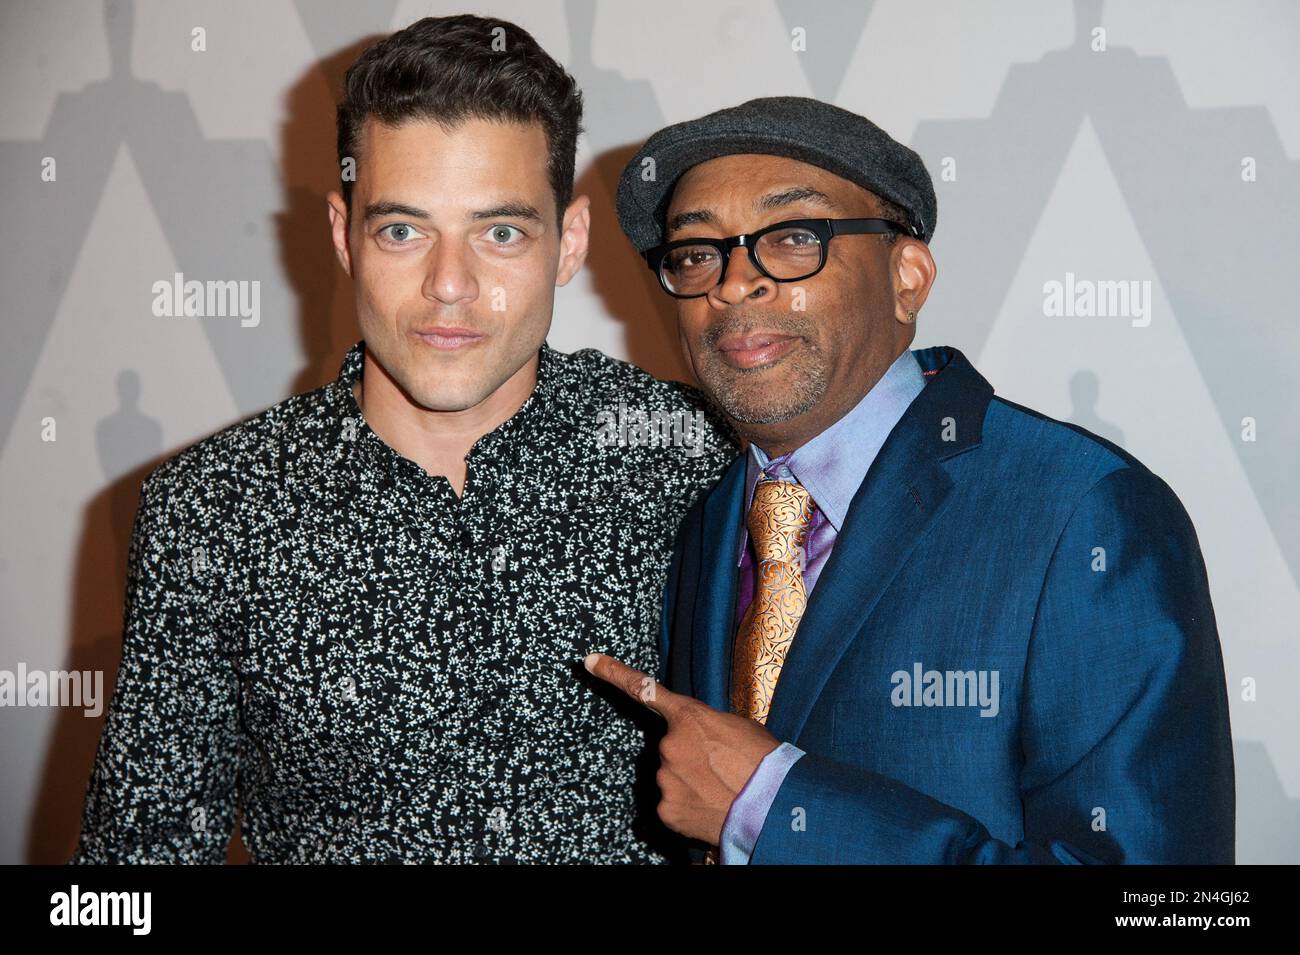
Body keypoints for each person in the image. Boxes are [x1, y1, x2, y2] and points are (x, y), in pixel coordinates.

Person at [70, 14, 737, 864]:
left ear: (568, 243)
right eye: (402, 230)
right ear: (345, 233)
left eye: (500, 232)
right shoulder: (211, 509)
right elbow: (130, 871)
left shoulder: (691, 453)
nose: (449, 286)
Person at [586, 95, 1235, 864]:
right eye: (696, 253)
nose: (732, 284)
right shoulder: (710, 523)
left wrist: (774, 807)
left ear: (908, 276)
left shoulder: (1083, 513)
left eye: (795, 238)